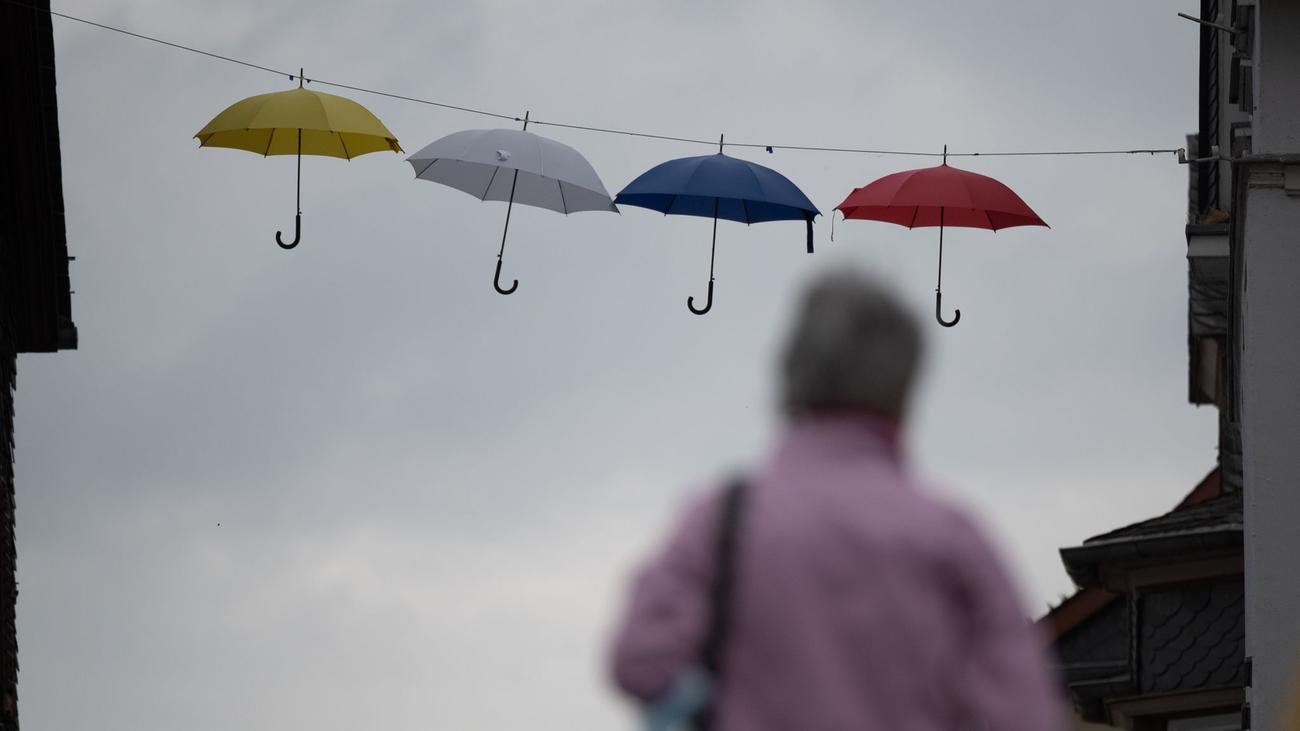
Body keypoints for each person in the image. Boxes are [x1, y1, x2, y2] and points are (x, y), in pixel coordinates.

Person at [608, 270, 1064, 731]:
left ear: (789, 371)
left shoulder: (721, 521)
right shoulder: (954, 538)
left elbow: (639, 662)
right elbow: (1021, 713)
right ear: (905, 386)